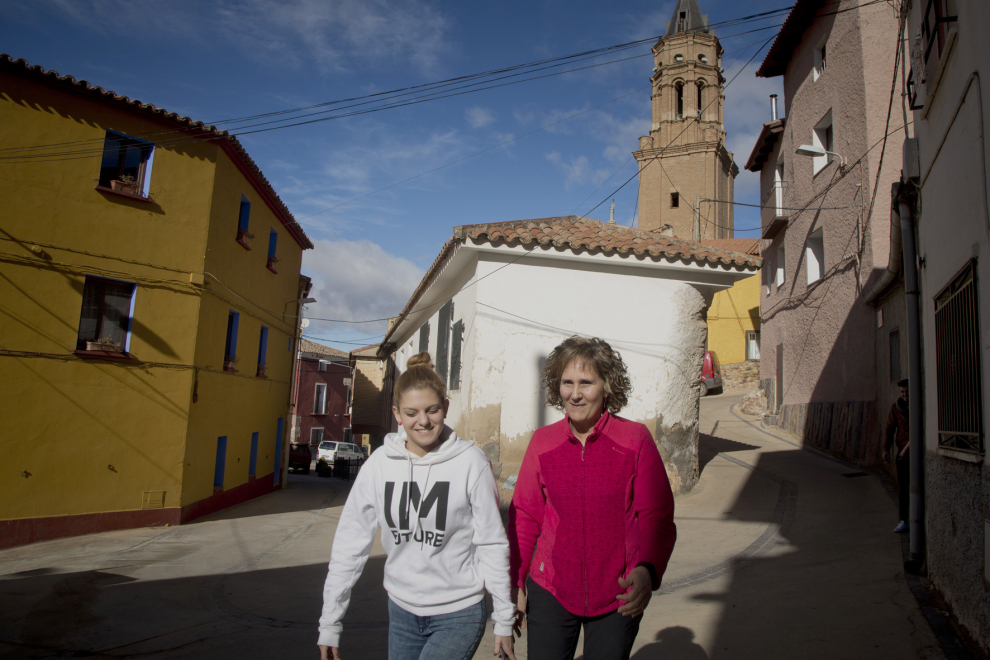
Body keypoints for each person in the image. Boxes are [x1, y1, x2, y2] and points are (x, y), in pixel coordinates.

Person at [318, 352, 516, 660]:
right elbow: (349, 544)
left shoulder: (471, 464)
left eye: (431, 410)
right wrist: (330, 621)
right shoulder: (379, 465)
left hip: (458, 613)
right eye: (411, 413)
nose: (422, 421)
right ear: (397, 414)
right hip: (401, 613)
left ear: (445, 408)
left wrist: (504, 616)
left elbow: (492, 542)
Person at [508, 336, 677, 660]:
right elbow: (525, 517)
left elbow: (656, 515)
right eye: (567, 383)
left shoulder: (635, 439)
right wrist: (515, 581)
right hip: (551, 589)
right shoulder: (543, 443)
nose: (574, 393)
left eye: (586, 383)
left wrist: (647, 568)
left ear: (607, 386)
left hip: (619, 593)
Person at [883, 378, 910, 534]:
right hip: (902, 454)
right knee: (904, 488)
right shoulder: (896, 408)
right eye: (902, 392)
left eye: (907, 391)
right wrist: (886, 449)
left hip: (915, 452)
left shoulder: (917, 405)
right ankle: (904, 520)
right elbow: (890, 429)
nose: (905, 395)